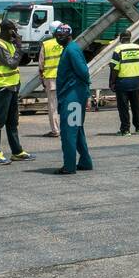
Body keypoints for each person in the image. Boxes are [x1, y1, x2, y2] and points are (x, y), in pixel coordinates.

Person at [0, 18, 34, 165]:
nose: (17, 33)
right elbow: (12, 64)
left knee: (13, 121)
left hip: (12, 87)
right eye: (15, 30)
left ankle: (17, 151)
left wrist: (16, 45)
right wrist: (19, 48)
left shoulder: (7, 43)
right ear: (9, 30)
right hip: (2, 88)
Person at [54, 24, 92, 174]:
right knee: (77, 129)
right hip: (72, 95)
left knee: (69, 131)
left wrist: (86, 93)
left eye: (62, 36)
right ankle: (85, 161)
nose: (58, 38)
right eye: (57, 35)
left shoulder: (72, 50)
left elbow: (84, 72)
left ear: (69, 35)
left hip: (73, 98)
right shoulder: (69, 49)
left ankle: (69, 166)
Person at [108, 31, 139, 136]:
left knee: (123, 107)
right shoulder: (138, 48)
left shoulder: (118, 49)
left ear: (120, 38)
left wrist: (112, 82)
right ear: (130, 37)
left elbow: (114, 68)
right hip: (136, 81)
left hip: (122, 82)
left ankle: (125, 129)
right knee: (136, 106)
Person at [39, 30, 64, 137]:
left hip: (50, 80)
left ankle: (55, 130)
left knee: (53, 107)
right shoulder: (66, 44)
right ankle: (69, 129)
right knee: (66, 105)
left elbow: (41, 65)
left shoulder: (46, 44)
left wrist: (42, 80)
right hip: (64, 79)